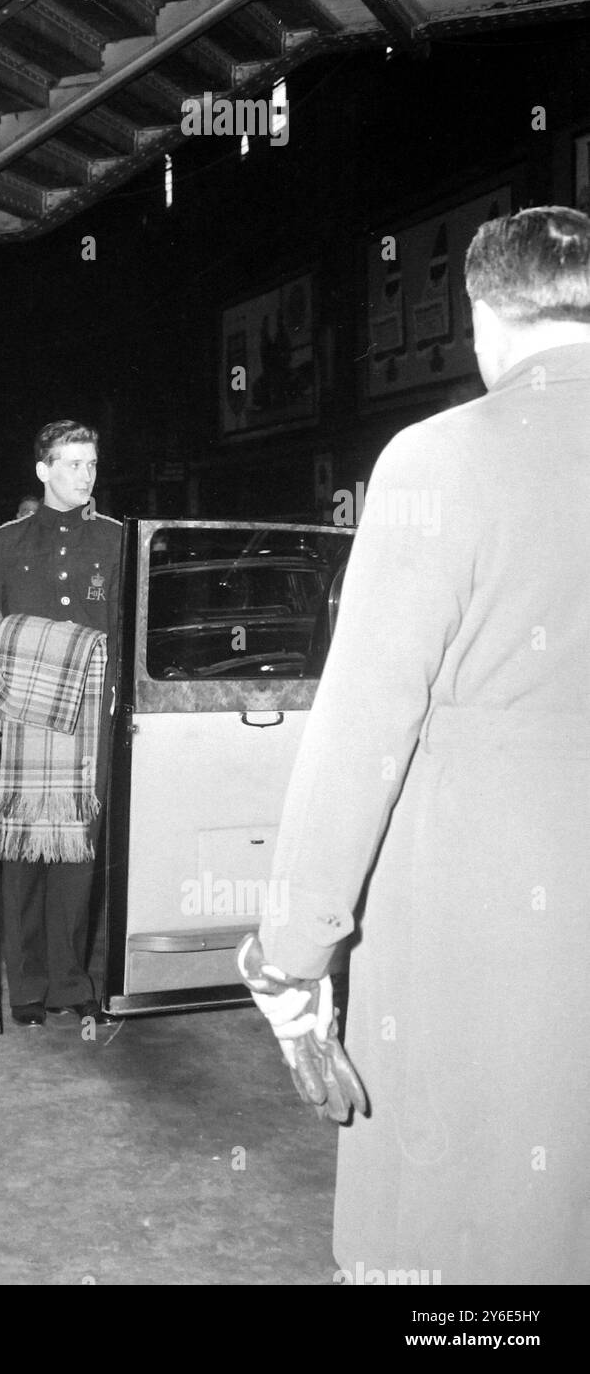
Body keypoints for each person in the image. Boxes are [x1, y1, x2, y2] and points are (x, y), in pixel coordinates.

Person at [244, 205, 590, 1284]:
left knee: (460, 1222)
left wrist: (292, 956)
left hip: (477, 907)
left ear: (480, 315)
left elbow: (362, 728)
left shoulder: (436, 457)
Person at [0, 420, 122, 1027]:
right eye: (74, 463)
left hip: (87, 719)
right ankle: (26, 990)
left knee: (77, 855)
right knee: (21, 856)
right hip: (21, 717)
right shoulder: (6, 542)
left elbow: (127, 628)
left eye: (92, 463)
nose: (87, 474)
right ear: (43, 471)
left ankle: (69, 984)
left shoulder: (114, 539)